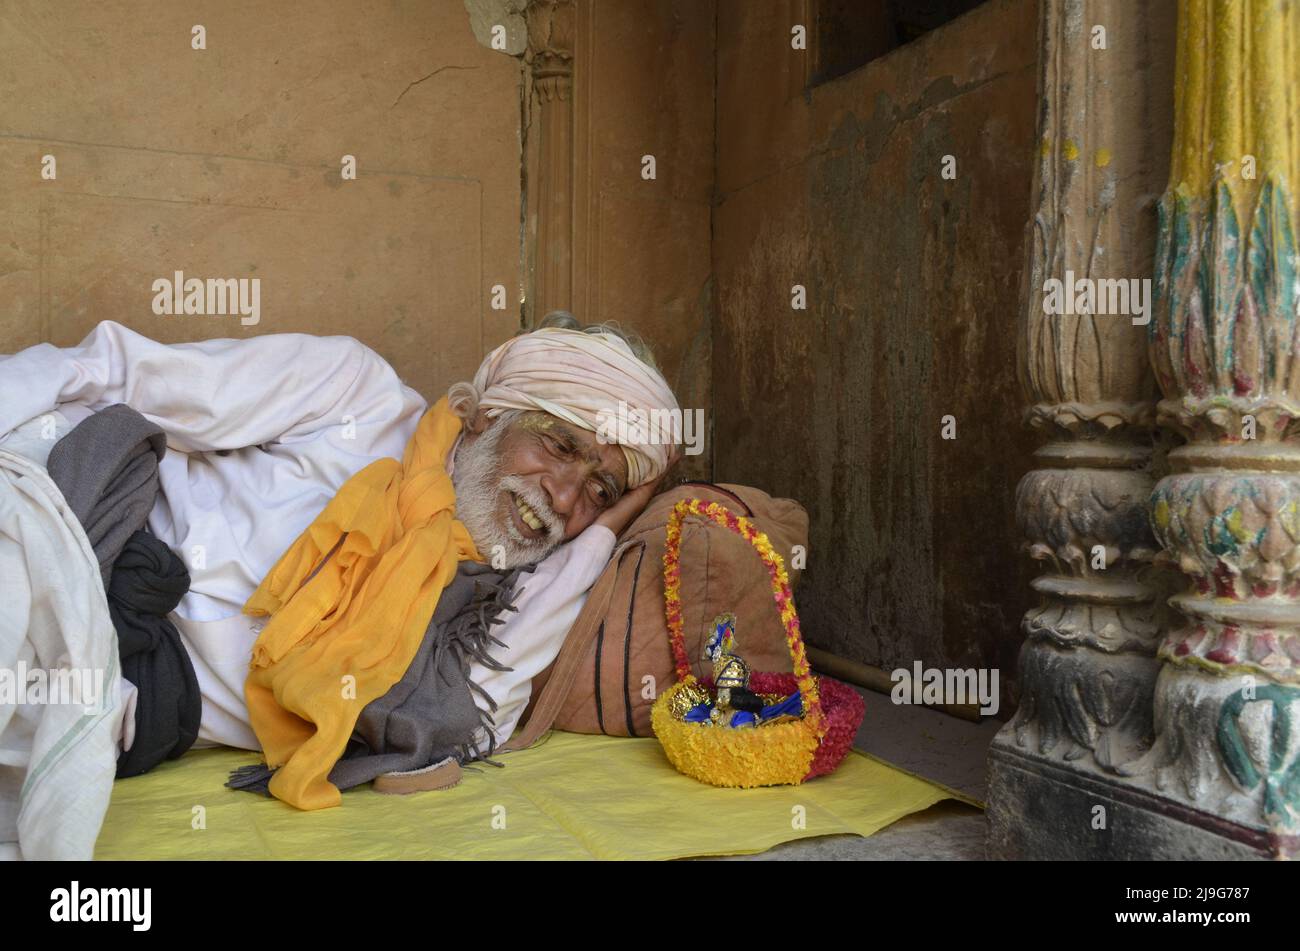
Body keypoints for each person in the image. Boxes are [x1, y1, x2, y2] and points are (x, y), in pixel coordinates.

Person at [0, 312, 681, 801]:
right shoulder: (354, 394)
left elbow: (475, 717)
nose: (563, 497)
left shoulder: (477, 620)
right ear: (484, 416)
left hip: (130, 692)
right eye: (557, 444)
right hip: (81, 527)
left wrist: (602, 532)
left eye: (600, 487)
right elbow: (118, 372)